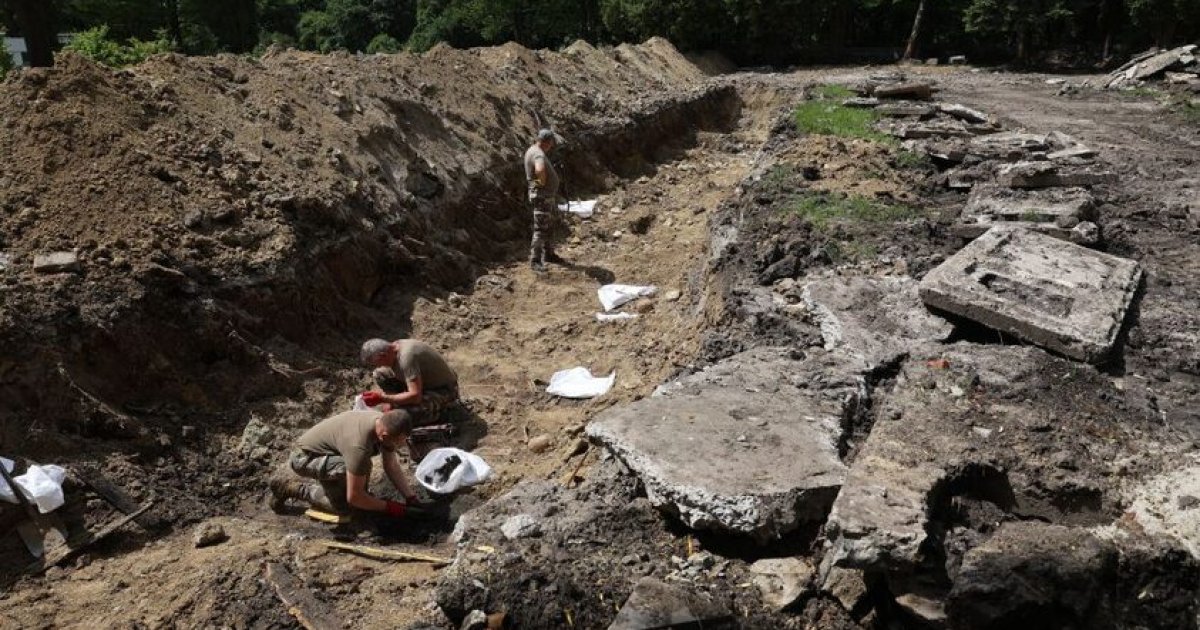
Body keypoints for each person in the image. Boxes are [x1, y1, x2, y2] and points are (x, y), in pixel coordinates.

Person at [269, 409, 424, 517]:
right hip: (304, 458)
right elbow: (355, 498)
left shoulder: (385, 423)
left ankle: (340, 488)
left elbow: (391, 465)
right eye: (398, 443)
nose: (400, 446)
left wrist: (410, 498)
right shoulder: (359, 447)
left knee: (361, 481)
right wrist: (390, 507)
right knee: (347, 509)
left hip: (333, 453)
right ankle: (294, 489)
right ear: (384, 436)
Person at [360, 338, 460, 425]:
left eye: (377, 363)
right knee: (380, 374)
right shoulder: (395, 348)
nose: (378, 366)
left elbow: (416, 396)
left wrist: (383, 398)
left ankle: (444, 412)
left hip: (444, 390)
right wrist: (390, 401)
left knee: (402, 416)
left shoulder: (406, 358)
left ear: (383, 355)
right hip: (422, 385)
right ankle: (398, 402)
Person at [524, 128, 566, 272]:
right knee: (541, 229)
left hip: (546, 197)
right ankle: (535, 261)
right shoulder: (538, 154)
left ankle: (549, 254)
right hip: (542, 197)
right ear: (547, 142)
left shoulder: (532, 150)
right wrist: (541, 183)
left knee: (549, 226)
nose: (552, 146)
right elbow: (540, 170)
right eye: (551, 143)